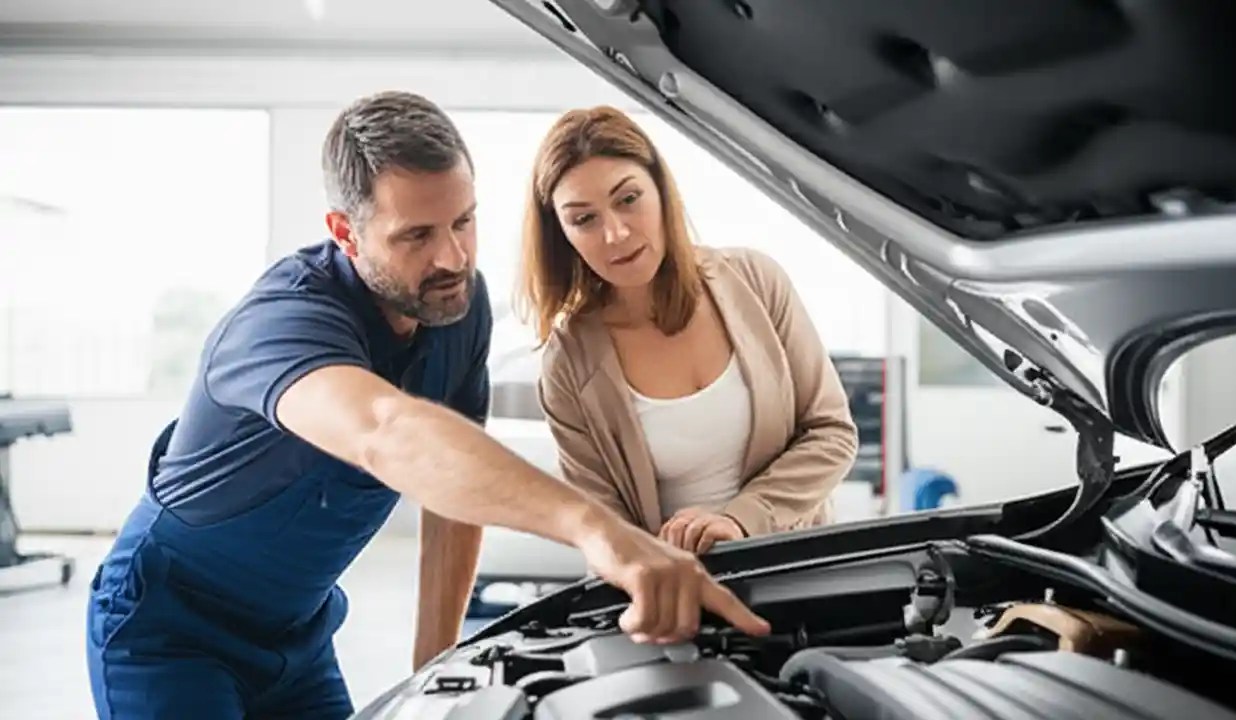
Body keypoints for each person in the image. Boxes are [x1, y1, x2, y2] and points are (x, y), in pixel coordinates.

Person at [84, 91, 768, 720]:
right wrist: (600, 533)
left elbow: (451, 497)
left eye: (464, 221)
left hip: (298, 633)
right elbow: (388, 432)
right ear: (345, 232)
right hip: (168, 631)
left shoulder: (458, 311)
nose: (452, 256)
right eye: (416, 236)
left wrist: (435, 670)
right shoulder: (282, 324)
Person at [520, 106, 859, 557]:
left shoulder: (755, 280)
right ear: (562, 234)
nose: (616, 234)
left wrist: (740, 519)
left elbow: (832, 433)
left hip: (796, 572)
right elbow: (602, 527)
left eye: (628, 199)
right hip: (676, 595)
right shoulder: (568, 363)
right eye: (584, 219)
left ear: (662, 192)